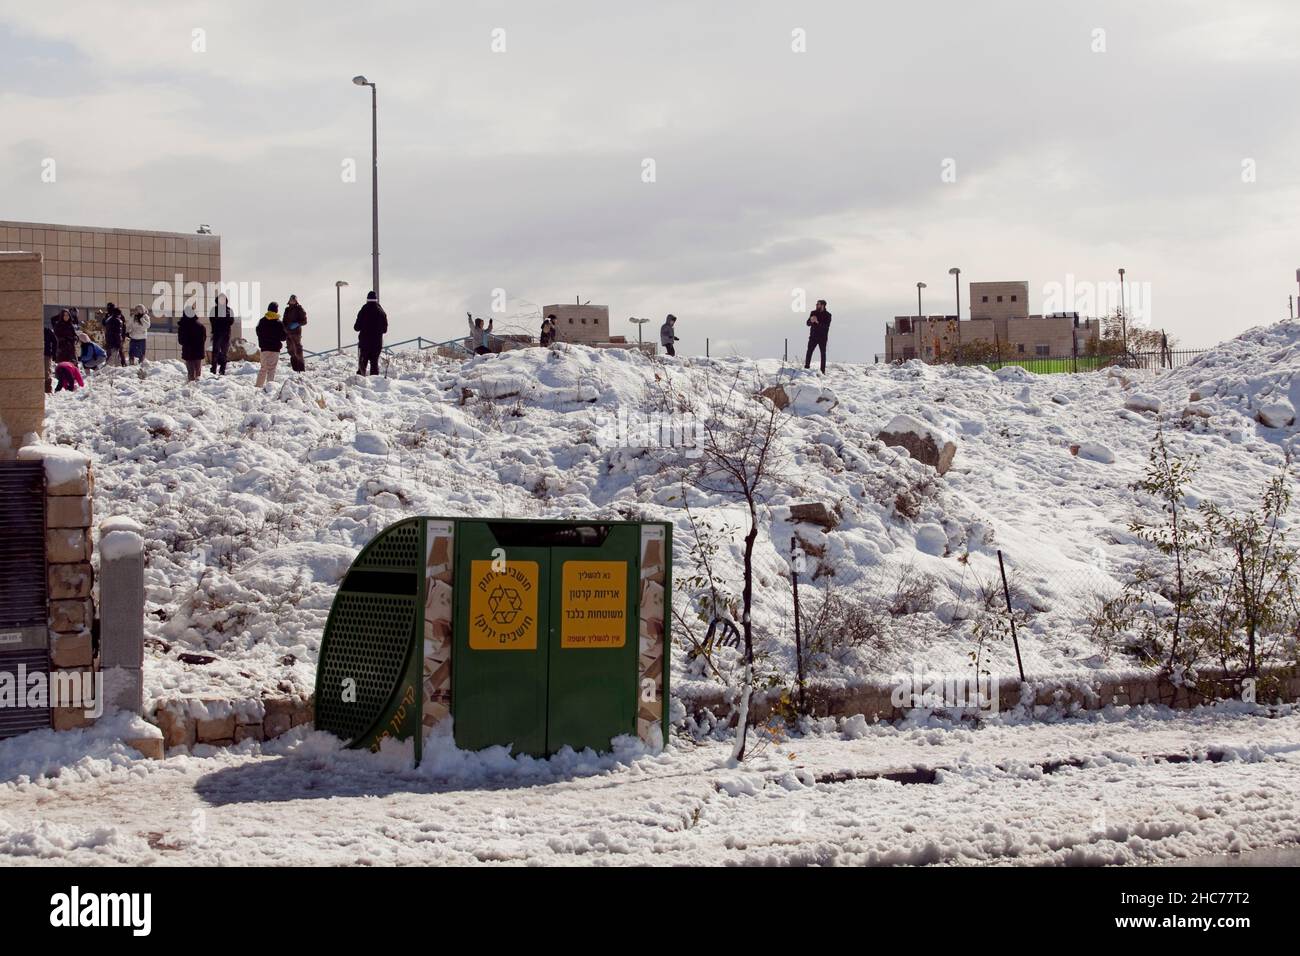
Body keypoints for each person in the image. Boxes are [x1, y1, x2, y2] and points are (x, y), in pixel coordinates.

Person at [354, 291, 387, 375]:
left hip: (365, 343)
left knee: (363, 364)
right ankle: (375, 383)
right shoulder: (381, 312)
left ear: (367, 299)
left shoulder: (363, 310)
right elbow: (385, 330)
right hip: (377, 343)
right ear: (376, 300)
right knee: (374, 364)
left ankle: (360, 382)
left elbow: (356, 327)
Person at [255, 302, 286, 387]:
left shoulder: (262, 321)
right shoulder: (279, 323)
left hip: (264, 349)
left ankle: (258, 386)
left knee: (263, 369)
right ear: (276, 310)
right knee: (271, 369)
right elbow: (283, 337)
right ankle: (269, 388)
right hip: (275, 349)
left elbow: (258, 331)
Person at [177, 305, 207, 382]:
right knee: (198, 373)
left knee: (190, 373)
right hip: (198, 352)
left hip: (188, 352)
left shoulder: (182, 326)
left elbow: (181, 341)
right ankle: (197, 387)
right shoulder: (200, 326)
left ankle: (191, 386)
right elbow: (204, 339)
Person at [209, 293, 236, 375]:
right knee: (215, 351)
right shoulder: (214, 310)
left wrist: (224, 318)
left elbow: (231, 321)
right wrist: (220, 319)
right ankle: (213, 368)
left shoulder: (229, 310)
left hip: (225, 334)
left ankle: (222, 369)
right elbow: (212, 320)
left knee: (224, 352)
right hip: (217, 333)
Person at [804, 299, 832, 373]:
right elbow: (807, 323)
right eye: (816, 304)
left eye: (818, 304)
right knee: (809, 351)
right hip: (813, 336)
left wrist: (817, 322)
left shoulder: (828, 315)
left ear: (822, 305)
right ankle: (806, 368)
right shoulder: (813, 313)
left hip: (822, 337)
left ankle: (822, 371)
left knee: (823, 353)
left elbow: (826, 326)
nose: (816, 305)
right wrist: (811, 320)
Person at [283, 294, 308, 372]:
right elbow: (284, 321)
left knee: (298, 350)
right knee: (291, 351)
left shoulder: (299, 309)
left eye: (294, 300)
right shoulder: (287, 310)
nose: (292, 301)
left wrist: (297, 323)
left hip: (296, 333)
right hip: (288, 333)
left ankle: (301, 369)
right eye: (291, 300)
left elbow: (304, 321)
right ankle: (295, 369)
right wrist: (284, 329)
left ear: (296, 301)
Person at [43, 323, 57, 394]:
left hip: (46, 354)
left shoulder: (47, 331)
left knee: (46, 372)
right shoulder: (32, 331)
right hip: (34, 354)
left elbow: (55, 341)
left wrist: (53, 353)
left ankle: (47, 390)